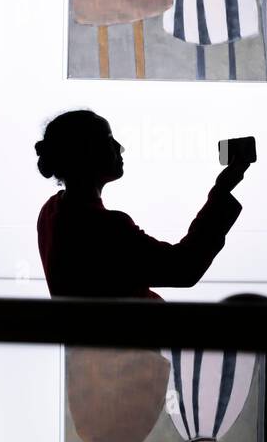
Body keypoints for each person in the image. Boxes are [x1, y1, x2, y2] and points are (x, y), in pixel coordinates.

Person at [35, 109, 248, 299]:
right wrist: (222, 191)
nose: (121, 147)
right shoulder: (104, 226)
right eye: (109, 140)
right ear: (86, 153)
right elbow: (183, 268)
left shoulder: (51, 211)